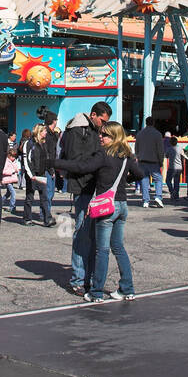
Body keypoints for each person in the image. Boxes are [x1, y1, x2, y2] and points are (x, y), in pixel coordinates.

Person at [53, 120, 141, 302]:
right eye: (101, 134)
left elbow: (82, 167)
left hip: (107, 206)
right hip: (122, 204)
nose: (100, 137)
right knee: (118, 247)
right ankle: (127, 288)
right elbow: (139, 174)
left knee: (102, 250)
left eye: (104, 135)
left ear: (114, 136)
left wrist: (56, 162)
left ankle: (97, 291)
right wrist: (125, 179)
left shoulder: (104, 154)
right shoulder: (126, 155)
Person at [57, 100, 111, 296]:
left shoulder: (91, 130)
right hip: (83, 186)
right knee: (83, 233)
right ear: (93, 115)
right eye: (102, 121)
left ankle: (89, 278)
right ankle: (78, 280)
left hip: (95, 186)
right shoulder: (78, 130)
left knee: (94, 236)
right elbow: (74, 159)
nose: (102, 125)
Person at [20, 123, 55, 226]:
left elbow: (46, 158)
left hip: (41, 173)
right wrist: (31, 175)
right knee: (30, 197)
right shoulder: (29, 143)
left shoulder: (43, 144)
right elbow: (26, 160)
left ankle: (47, 219)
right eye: (44, 131)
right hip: (32, 174)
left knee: (44, 197)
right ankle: (27, 218)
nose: (46, 133)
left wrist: (50, 170)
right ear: (39, 132)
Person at [134, 115, 165, 208]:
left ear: (146, 122)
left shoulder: (140, 134)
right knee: (158, 179)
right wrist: (161, 161)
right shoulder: (157, 134)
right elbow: (160, 150)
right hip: (154, 160)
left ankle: (145, 200)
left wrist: (138, 157)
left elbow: (136, 148)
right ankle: (158, 196)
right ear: (153, 123)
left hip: (142, 160)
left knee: (144, 180)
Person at [163, 131, 183, 201]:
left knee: (168, 180)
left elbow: (166, 156)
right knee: (176, 181)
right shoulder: (180, 148)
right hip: (179, 167)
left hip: (172, 167)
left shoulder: (169, 149)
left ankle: (172, 191)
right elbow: (183, 154)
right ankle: (176, 195)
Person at [1, 146, 20, 212]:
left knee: (8, 193)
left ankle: (0, 203)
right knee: (13, 192)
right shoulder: (6, 162)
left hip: (12, 179)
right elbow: (3, 171)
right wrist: (12, 172)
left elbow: (16, 168)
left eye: (14, 157)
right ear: (9, 156)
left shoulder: (14, 161)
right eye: (12, 157)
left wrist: (17, 170)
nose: (13, 158)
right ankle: (12, 206)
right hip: (7, 179)